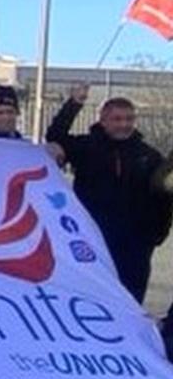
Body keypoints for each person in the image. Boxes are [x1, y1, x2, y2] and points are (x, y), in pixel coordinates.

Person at [47, 84, 171, 304]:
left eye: (128, 119)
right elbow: (55, 136)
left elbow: (162, 197)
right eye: (117, 119)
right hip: (93, 240)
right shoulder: (86, 147)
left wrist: (155, 235)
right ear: (103, 120)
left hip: (134, 247)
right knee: (89, 297)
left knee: (130, 301)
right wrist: (74, 104)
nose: (124, 124)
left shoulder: (149, 156)